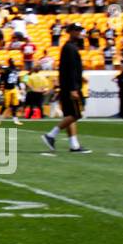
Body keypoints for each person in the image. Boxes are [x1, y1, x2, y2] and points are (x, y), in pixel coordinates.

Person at [44, 24, 91, 153]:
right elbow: (70, 70)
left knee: (70, 115)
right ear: (69, 31)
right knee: (76, 114)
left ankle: (74, 145)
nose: (78, 32)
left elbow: (71, 69)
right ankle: (51, 135)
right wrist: (73, 88)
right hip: (71, 87)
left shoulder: (70, 47)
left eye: (79, 30)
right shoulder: (70, 48)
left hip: (69, 86)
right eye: (76, 30)